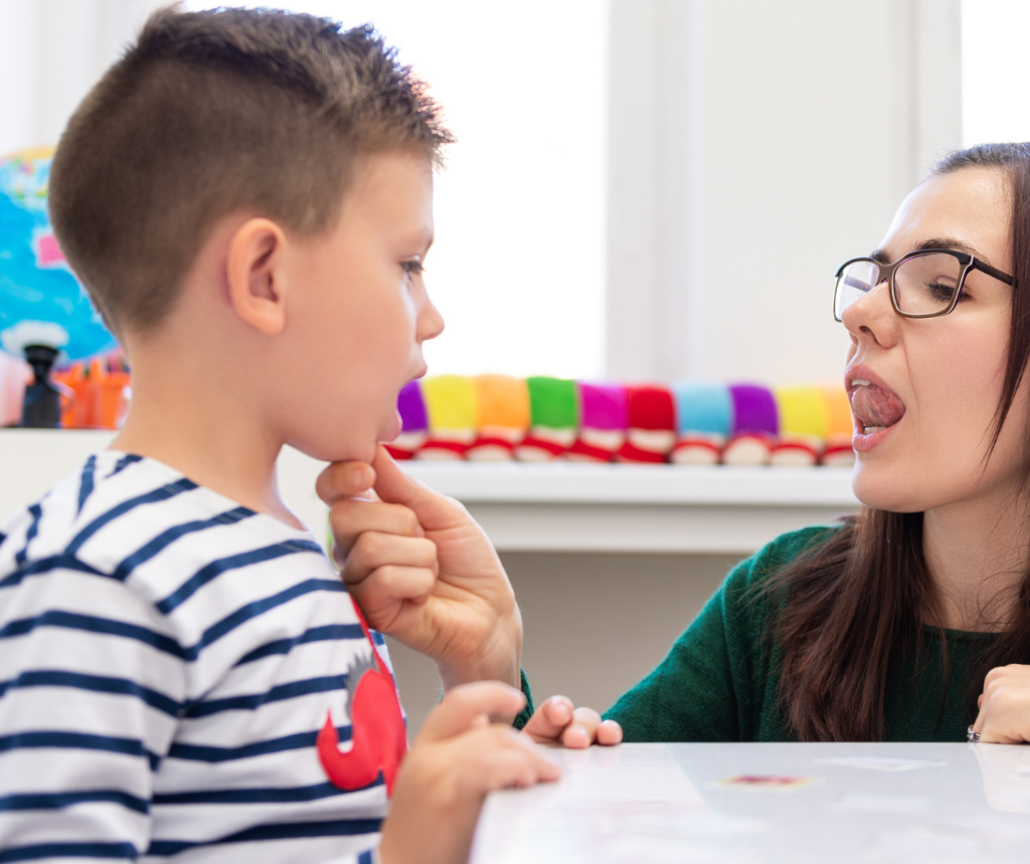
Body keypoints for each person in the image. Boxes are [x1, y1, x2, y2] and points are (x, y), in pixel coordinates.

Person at [336, 141, 1030, 752]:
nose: (859, 313)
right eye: (872, 279)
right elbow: (598, 816)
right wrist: (491, 666)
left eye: (940, 285)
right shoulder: (780, 603)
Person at [0, 8, 612, 864]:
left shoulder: (285, 558)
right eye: (407, 264)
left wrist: (481, 723)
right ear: (265, 277)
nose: (432, 316)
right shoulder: (98, 577)